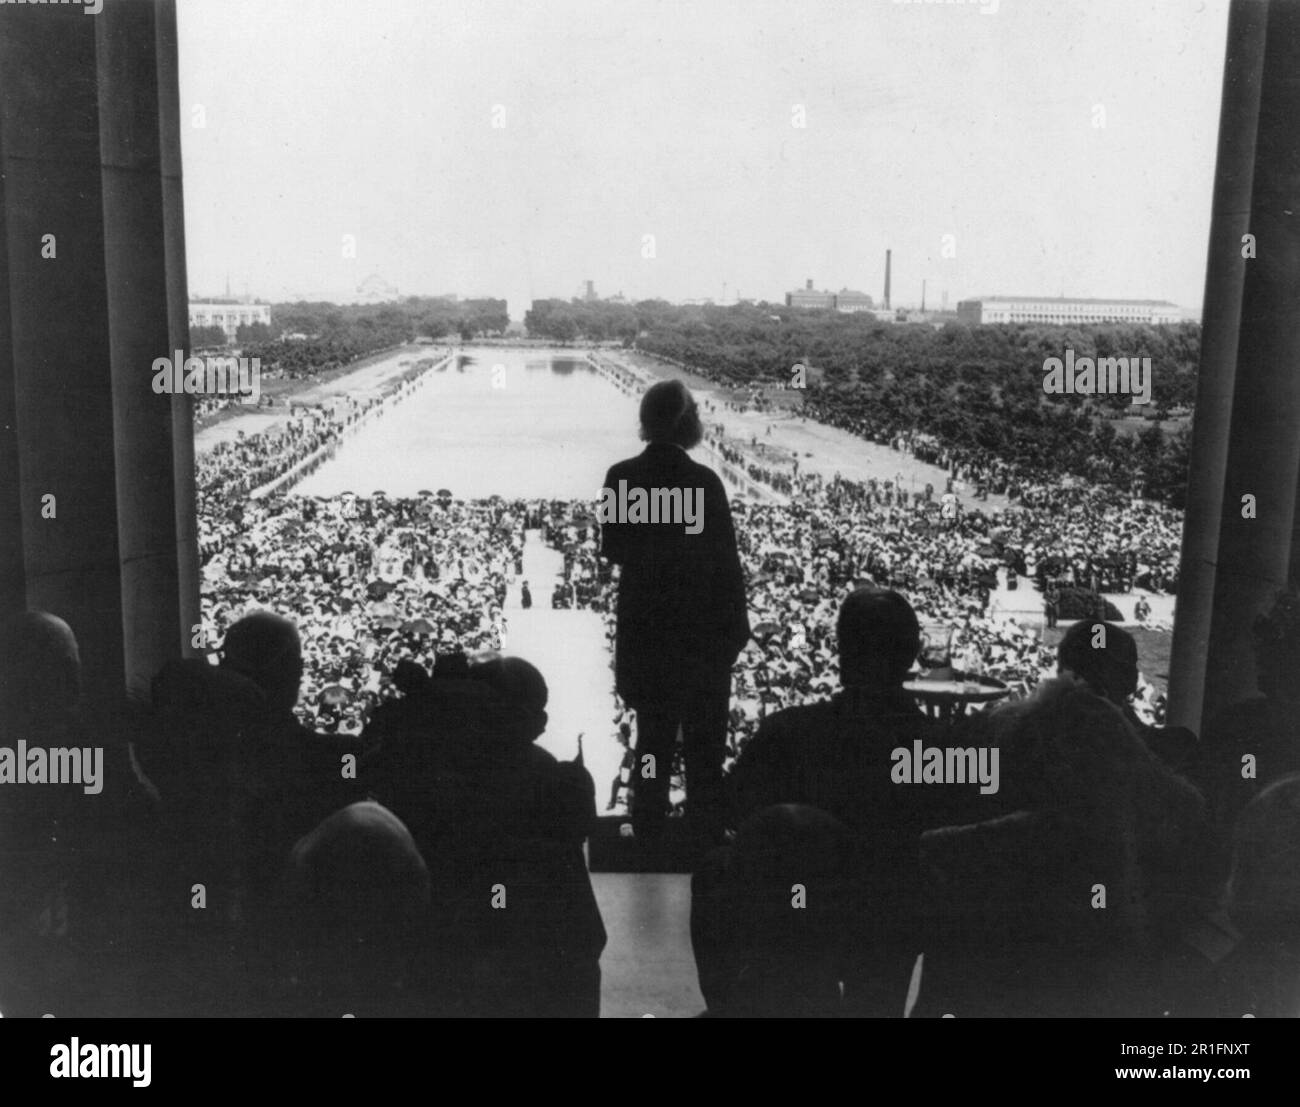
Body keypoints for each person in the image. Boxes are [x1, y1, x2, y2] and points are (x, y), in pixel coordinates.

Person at [600, 379, 750, 847]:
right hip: (701, 637)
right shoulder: (706, 483)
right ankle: (705, 832)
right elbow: (727, 566)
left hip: (647, 632)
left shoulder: (620, 477)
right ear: (689, 424)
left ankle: (647, 826)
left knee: (652, 740)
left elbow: (615, 548)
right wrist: (732, 639)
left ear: (645, 420)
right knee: (705, 748)